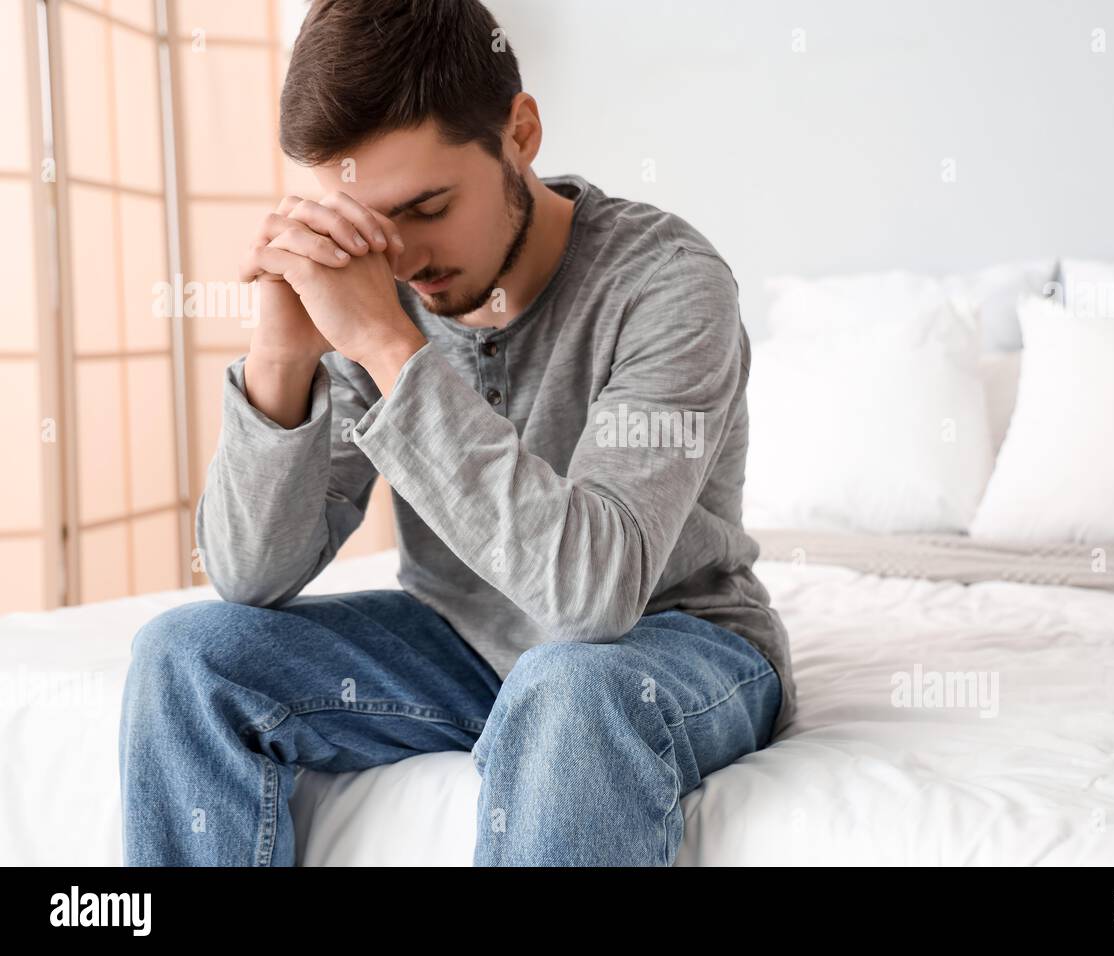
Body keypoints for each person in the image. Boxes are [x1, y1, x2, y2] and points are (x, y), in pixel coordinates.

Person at [118, 0, 796, 867]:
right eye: (367, 220)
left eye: (429, 206)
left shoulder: (667, 284)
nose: (399, 258)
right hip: (464, 645)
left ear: (521, 132)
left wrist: (390, 348)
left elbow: (592, 596)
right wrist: (280, 362)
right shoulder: (379, 290)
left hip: (668, 645)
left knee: (570, 687)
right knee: (186, 658)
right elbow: (251, 575)